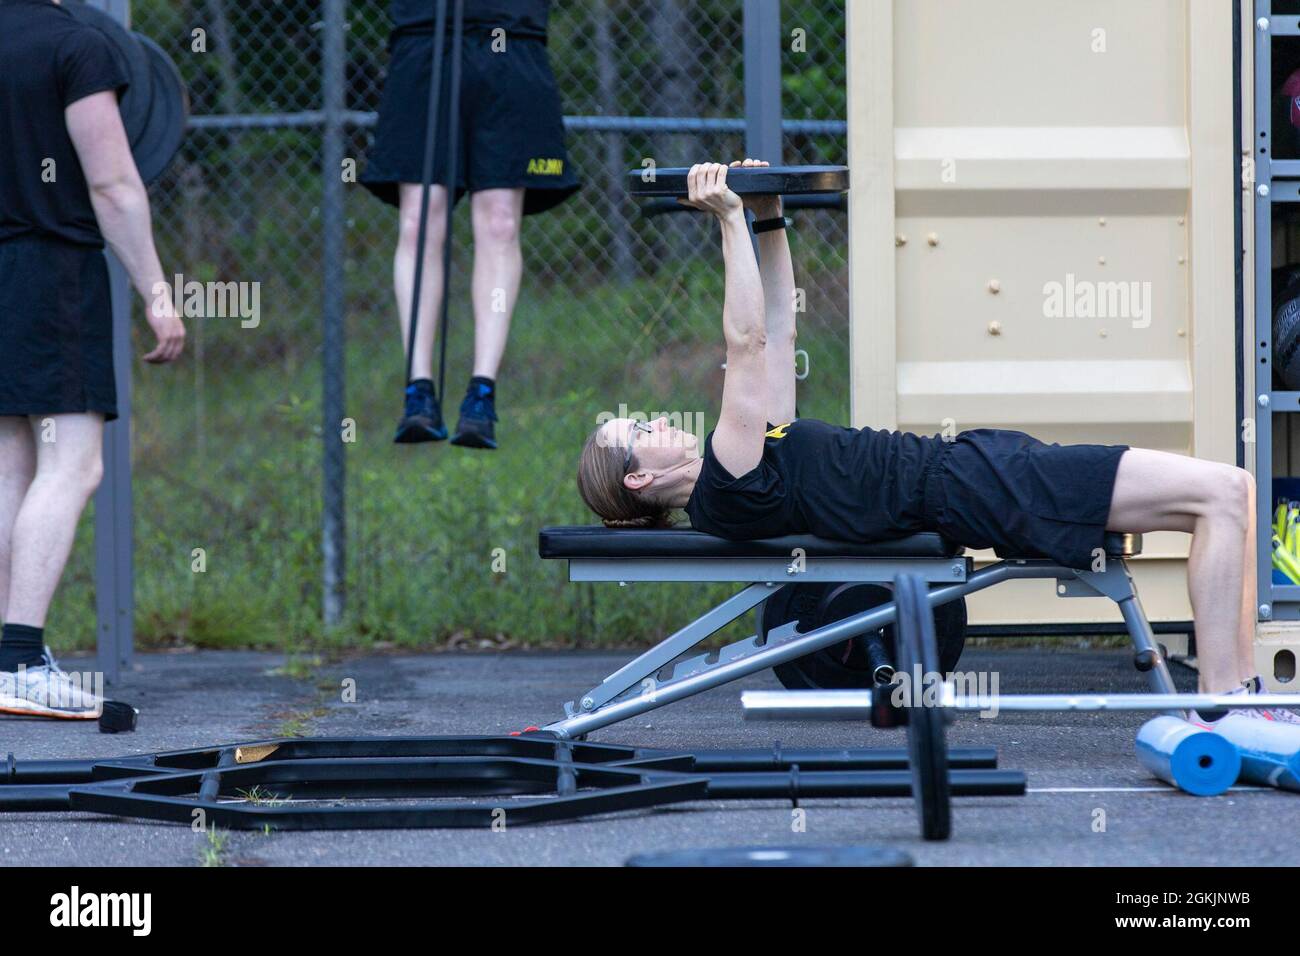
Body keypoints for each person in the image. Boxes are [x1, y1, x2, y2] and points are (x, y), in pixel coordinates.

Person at [576, 161, 1295, 727]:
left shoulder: (749, 455)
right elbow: (749, 338)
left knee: (1229, 497)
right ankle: (1225, 700)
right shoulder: (726, 481)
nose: (653, 421)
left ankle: (1237, 697)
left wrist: (769, 220)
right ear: (638, 481)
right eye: (637, 433)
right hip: (978, 487)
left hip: (977, 469)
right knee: (1224, 492)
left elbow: (781, 330)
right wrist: (728, 218)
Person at [0, 0, 184, 718]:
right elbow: (111, 184)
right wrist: (158, 293)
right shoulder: (75, 47)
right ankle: (18, 661)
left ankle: (3, 659)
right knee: (74, 462)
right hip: (51, 275)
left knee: (12, 462)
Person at [362, 0, 580, 448]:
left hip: (511, 38)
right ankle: (418, 387)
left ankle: (482, 391)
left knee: (500, 221)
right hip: (426, 37)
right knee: (421, 218)